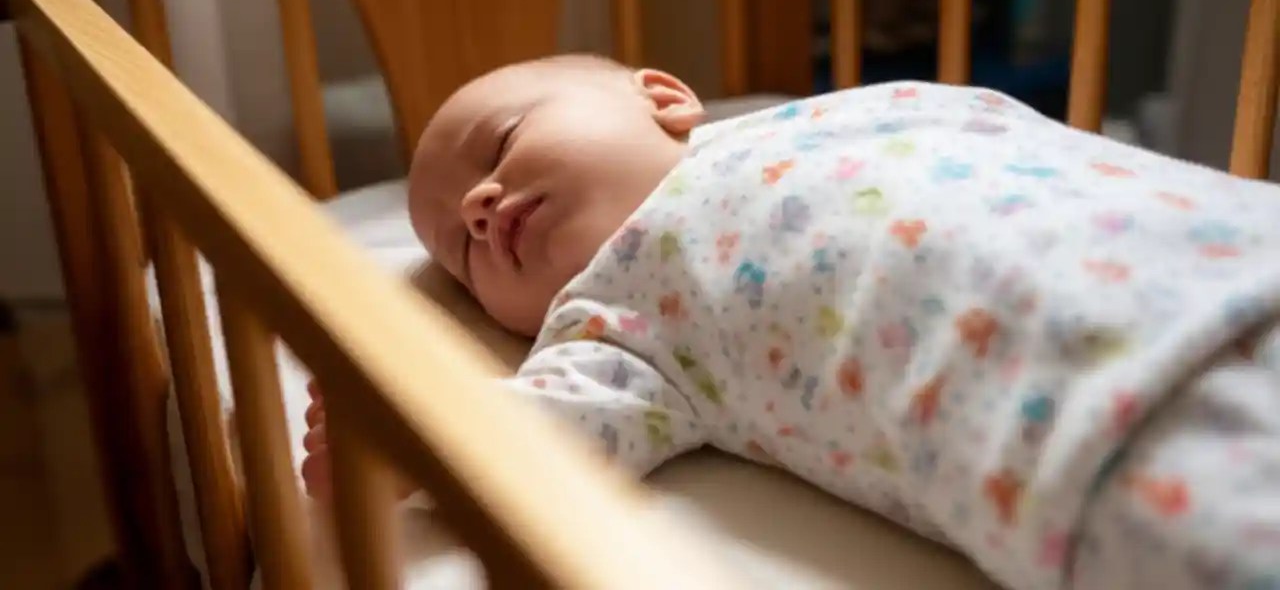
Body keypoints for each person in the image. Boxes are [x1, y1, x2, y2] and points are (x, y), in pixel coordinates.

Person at [304, 54, 1280, 590]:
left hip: (1224, 250)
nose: (480, 205)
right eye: (458, 251)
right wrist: (398, 426)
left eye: (502, 143)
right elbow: (537, 438)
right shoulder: (612, 317)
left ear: (663, 97)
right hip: (1093, 433)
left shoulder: (837, 110)